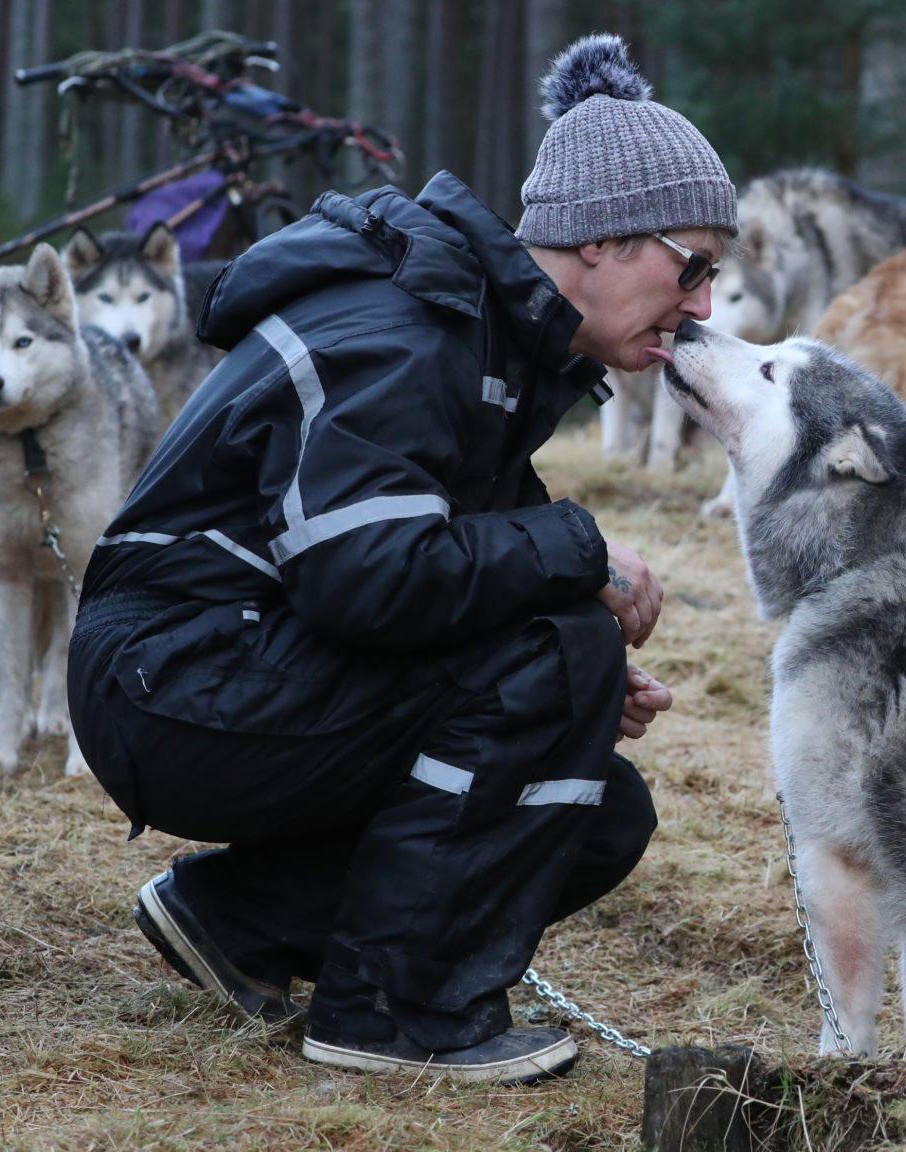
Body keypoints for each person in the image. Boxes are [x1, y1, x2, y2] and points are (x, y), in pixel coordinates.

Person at [67, 35, 734, 1085]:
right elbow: (365, 575)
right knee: (558, 652)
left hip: (234, 669)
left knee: (596, 812)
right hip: (172, 679)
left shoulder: (489, 344)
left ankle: (238, 919)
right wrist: (581, 554)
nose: (700, 304)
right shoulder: (406, 327)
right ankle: (390, 1015)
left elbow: (448, 575)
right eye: (691, 265)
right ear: (601, 241)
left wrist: (578, 683)